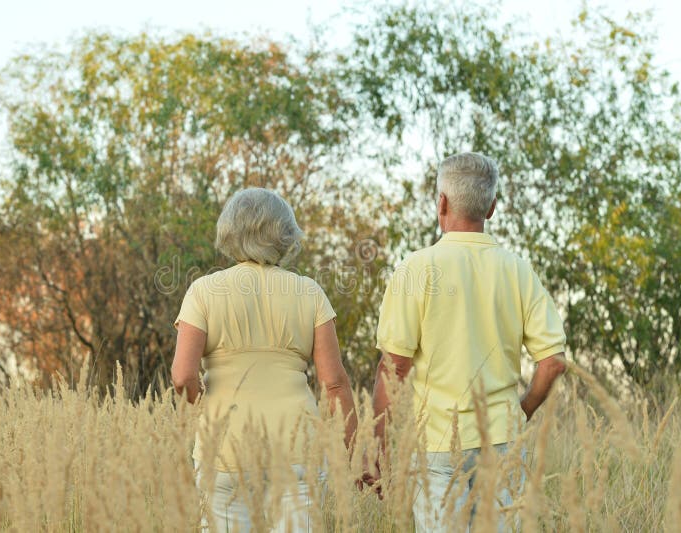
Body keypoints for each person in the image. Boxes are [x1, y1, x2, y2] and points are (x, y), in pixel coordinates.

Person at [371, 152, 567, 531]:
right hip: (504, 439)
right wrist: (520, 410)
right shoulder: (517, 268)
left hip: (439, 445)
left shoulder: (416, 268)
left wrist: (375, 445)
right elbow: (554, 362)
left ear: (441, 202)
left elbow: (394, 367)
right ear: (491, 207)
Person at [172, 187, 357, 533]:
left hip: (224, 451)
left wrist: (204, 405)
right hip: (298, 450)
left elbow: (182, 376)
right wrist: (356, 452)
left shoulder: (203, 291)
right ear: (283, 234)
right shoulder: (309, 292)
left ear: (230, 231)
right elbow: (334, 382)